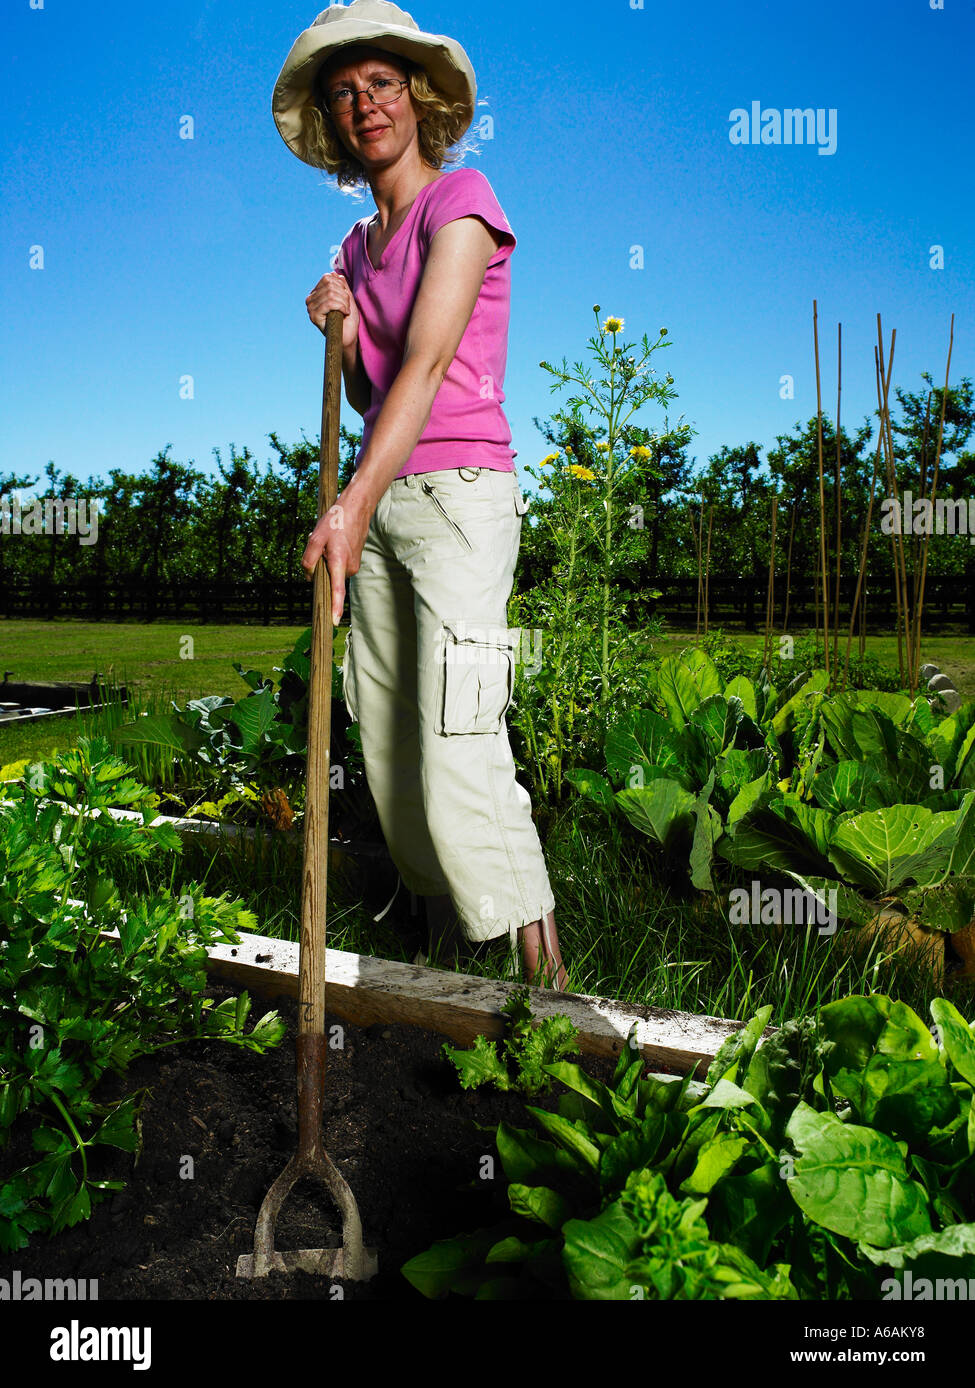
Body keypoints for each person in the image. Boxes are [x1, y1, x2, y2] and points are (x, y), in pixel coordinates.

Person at [272, 1, 568, 989]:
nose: (367, 105)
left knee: (460, 732)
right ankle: (448, 966)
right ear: (335, 121)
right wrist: (342, 330)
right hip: (386, 496)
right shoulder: (357, 247)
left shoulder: (465, 202)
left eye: (383, 84)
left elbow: (432, 362)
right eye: (346, 92)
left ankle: (547, 984)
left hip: (459, 497)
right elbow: (370, 389)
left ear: (417, 98)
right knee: (390, 737)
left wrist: (347, 505)